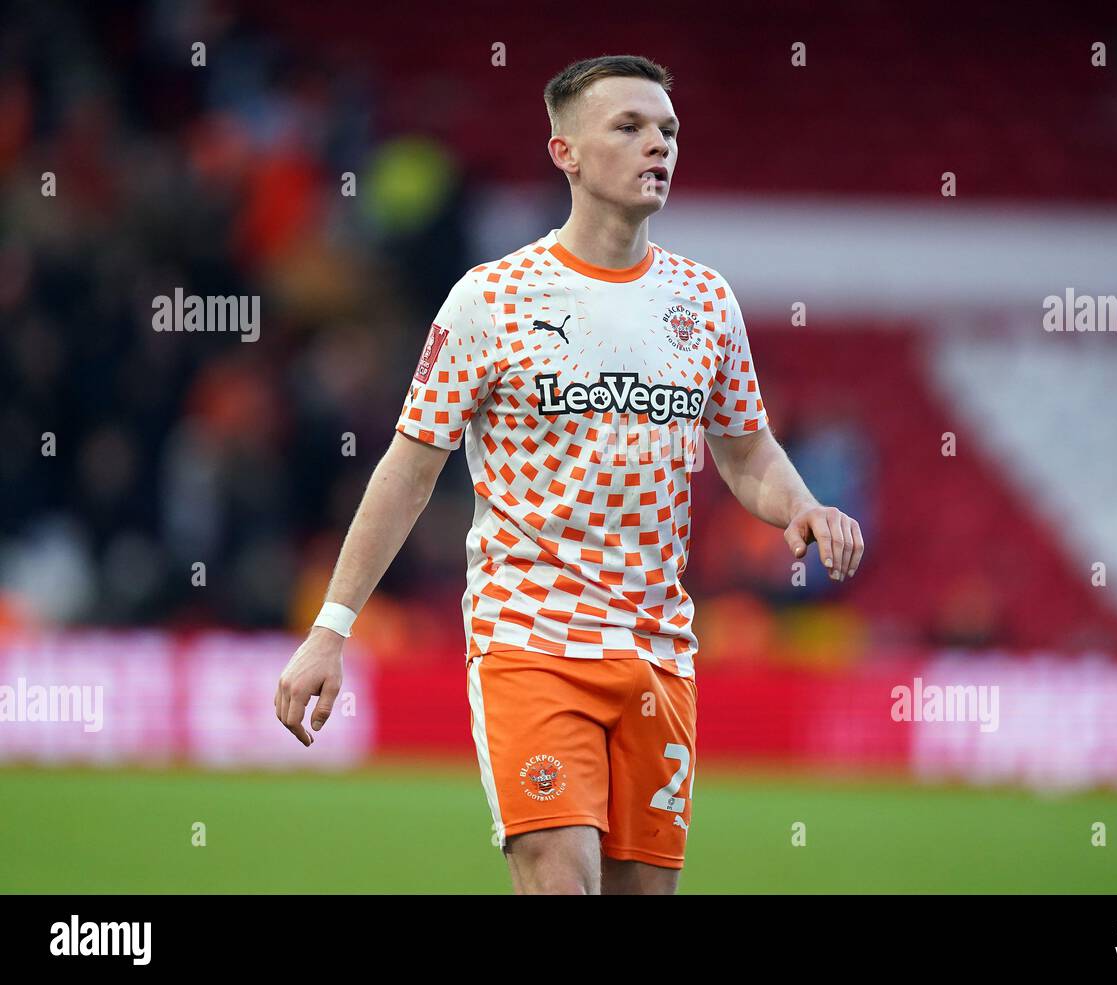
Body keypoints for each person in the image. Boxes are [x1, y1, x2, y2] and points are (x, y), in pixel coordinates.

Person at [274, 54, 864, 895]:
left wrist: (800, 505)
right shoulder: (492, 300)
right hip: (531, 640)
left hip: (659, 651)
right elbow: (407, 471)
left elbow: (744, 447)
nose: (657, 144)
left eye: (667, 130)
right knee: (561, 880)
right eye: (628, 126)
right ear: (567, 153)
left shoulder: (705, 301)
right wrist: (331, 629)